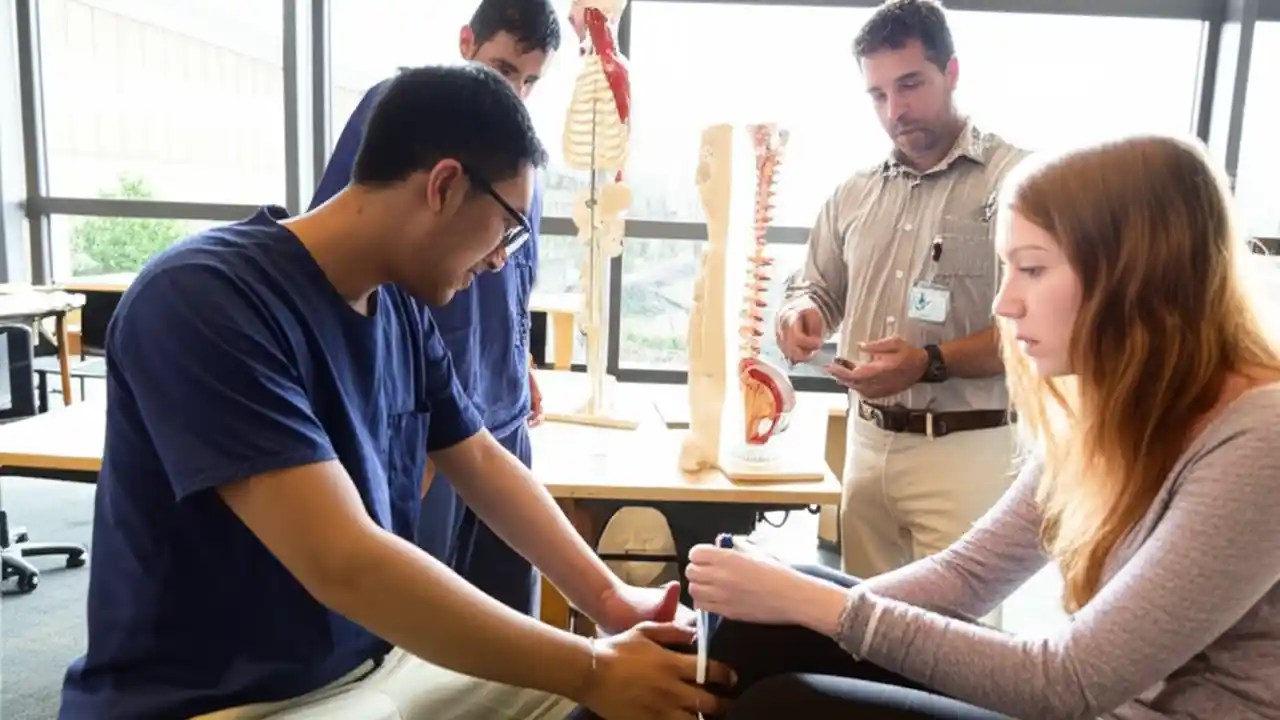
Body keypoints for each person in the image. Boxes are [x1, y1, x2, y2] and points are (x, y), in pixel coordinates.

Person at [60, 64, 733, 720]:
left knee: (652, 701)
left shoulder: (400, 308)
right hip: (224, 702)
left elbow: (481, 461)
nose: (502, 258)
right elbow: (344, 562)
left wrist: (611, 602)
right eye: (508, 227)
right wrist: (591, 668)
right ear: (444, 185)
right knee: (594, 682)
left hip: (376, 666)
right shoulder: (203, 300)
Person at [688, 133, 1280, 718]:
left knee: (789, 700)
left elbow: (1070, 681)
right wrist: (782, 604)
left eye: (1032, 269)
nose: (1004, 304)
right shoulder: (1109, 412)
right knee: (755, 631)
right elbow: (966, 578)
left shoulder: (1261, 437)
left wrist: (813, 606)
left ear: (1137, 275)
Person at [311, 0, 559, 617]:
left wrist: (519, 356)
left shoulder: (520, 158)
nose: (516, 93)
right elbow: (352, 260)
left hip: (496, 404)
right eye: (504, 70)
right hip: (425, 413)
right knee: (420, 614)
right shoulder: (409, 114)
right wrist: (395, 413)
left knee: (507, 604)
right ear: (466, 41)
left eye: (531, 81)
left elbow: (513, 274)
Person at [774, 0, 1029, 582]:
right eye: (878, 94)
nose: (896, 110)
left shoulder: (1016, 184)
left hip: (969, 451)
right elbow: (814, 289)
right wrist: (801, 313)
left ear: (952, 72)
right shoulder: (853, 193)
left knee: (957, 635)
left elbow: (1038, 329)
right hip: (865, 447)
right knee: (862, 624)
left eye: (910, 85)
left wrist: (928, 363)